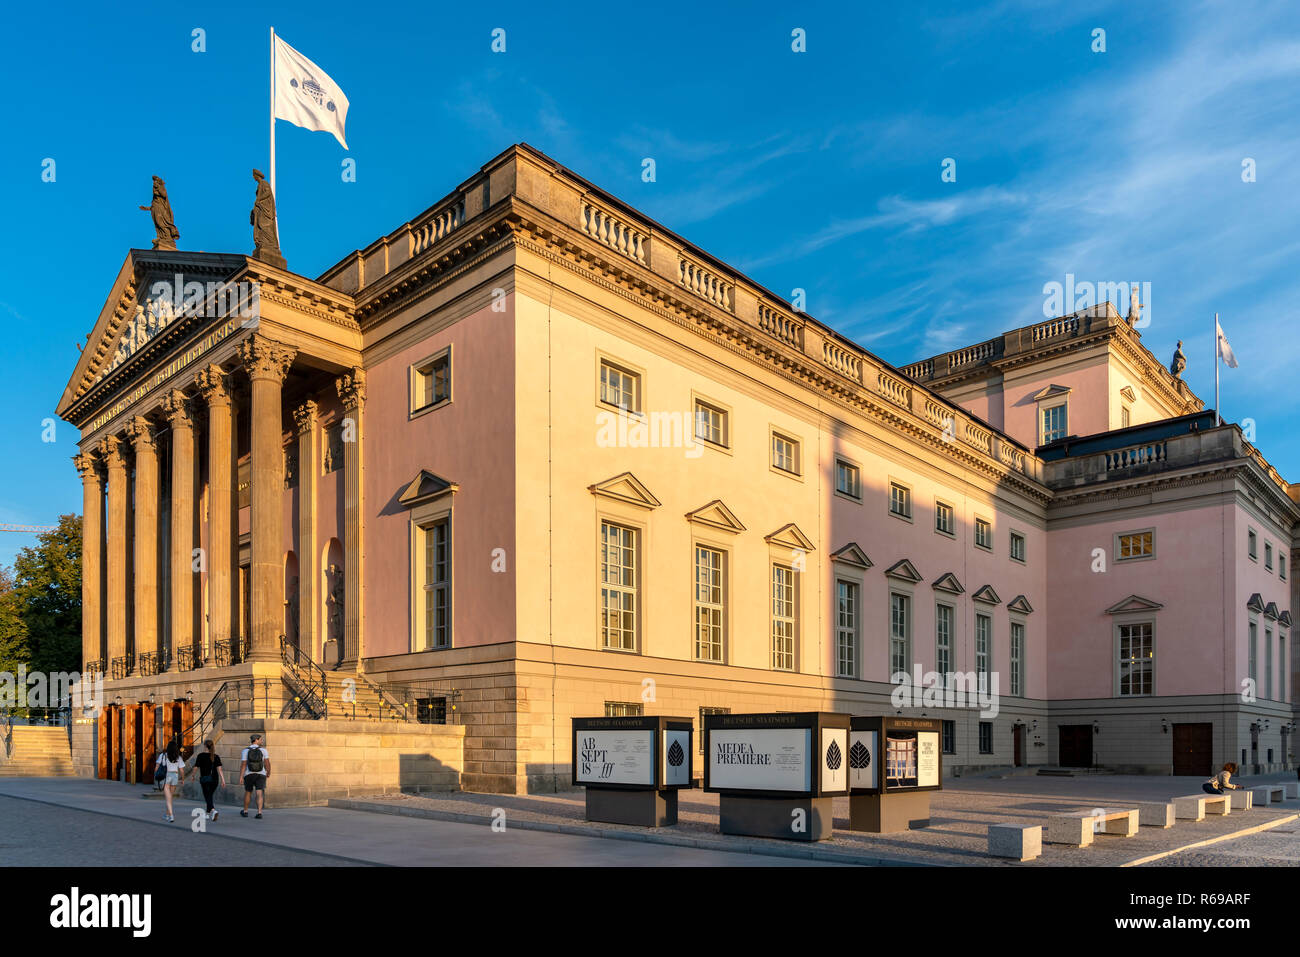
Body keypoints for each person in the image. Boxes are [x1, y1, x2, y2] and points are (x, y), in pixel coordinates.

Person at [187, 739, 225, 821]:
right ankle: (207, 814)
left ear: (205, 746)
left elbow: (196, 767)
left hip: (205, 779)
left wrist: (193, 776)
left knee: (207, 796)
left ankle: (213, 810)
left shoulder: (201, 756)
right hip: (215, 779)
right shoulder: (216, 756)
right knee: (209, 795)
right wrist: (223, 780)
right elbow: (220, 769)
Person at [239, 733, 270, 819]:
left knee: (248, 792)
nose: (261, 741)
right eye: (260, 739)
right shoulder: (264, 750)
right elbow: (267, 762)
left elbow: (243, 765)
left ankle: (245, 811)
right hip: (261, 774)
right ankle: (259, 813)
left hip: (249, 774)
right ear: (256, 740)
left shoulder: (245, 751)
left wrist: (241, 776)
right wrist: (268, 771)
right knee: (259, 792)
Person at [158, 740, 186, 823]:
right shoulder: (178, 757)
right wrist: (183, 779)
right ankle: (167, 814)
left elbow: (157, 766)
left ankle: (171, 815)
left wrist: (156, 775)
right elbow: (182, 770)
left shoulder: (163, 756)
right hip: (175, 776)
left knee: (168, 797)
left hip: (167, 776)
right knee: (170, 797)